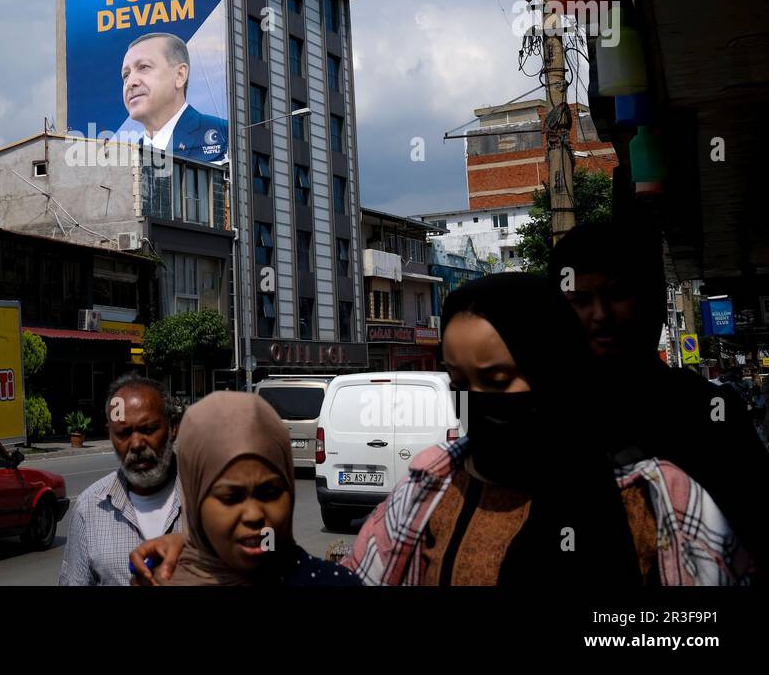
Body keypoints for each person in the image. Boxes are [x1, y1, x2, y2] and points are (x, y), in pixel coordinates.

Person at [338, 273, 749, 586]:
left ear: (553, 370)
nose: (476, 400)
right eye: (459, 383)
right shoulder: (430, 488)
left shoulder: (654, 495)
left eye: (498, 380)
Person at [551, 221, 769, 575]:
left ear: (648, 300)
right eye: (579, 300)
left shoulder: (708, 414)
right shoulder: (547, 418)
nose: (600, 316)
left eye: (616, 294)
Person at [131, 391, 357, 586]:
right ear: (194, 499)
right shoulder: (158, 580)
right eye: (231, 497)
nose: (254, 515)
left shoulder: (331, 581)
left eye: (270, 493)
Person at [58, 375, 183, 585]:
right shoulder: (89, 507)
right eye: (123, 433)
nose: (136, 444)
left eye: (148, 429)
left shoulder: (214, 494)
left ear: (173, 427)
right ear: (110, 435)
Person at [120, 32, 228, 163]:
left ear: (180, 75)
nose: (130, 82)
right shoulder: (125, 163)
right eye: (126, 75)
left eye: (143, 67)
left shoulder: (227, 136)